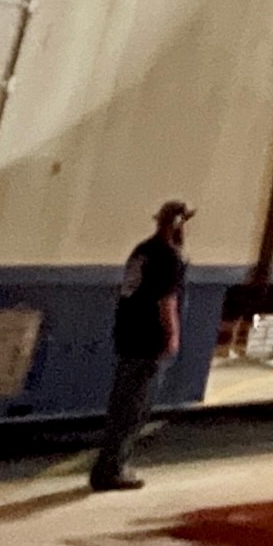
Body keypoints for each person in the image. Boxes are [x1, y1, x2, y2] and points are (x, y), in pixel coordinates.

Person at [91, 199, 192, 492]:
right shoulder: (167, 257)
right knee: (134, 408)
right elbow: (166, 301)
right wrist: (172, 335)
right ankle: (112, 469)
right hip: (149, 338)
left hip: (128, 334)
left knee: (121, 402)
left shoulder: (142, 250)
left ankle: (107, 465)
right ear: (177, 224)